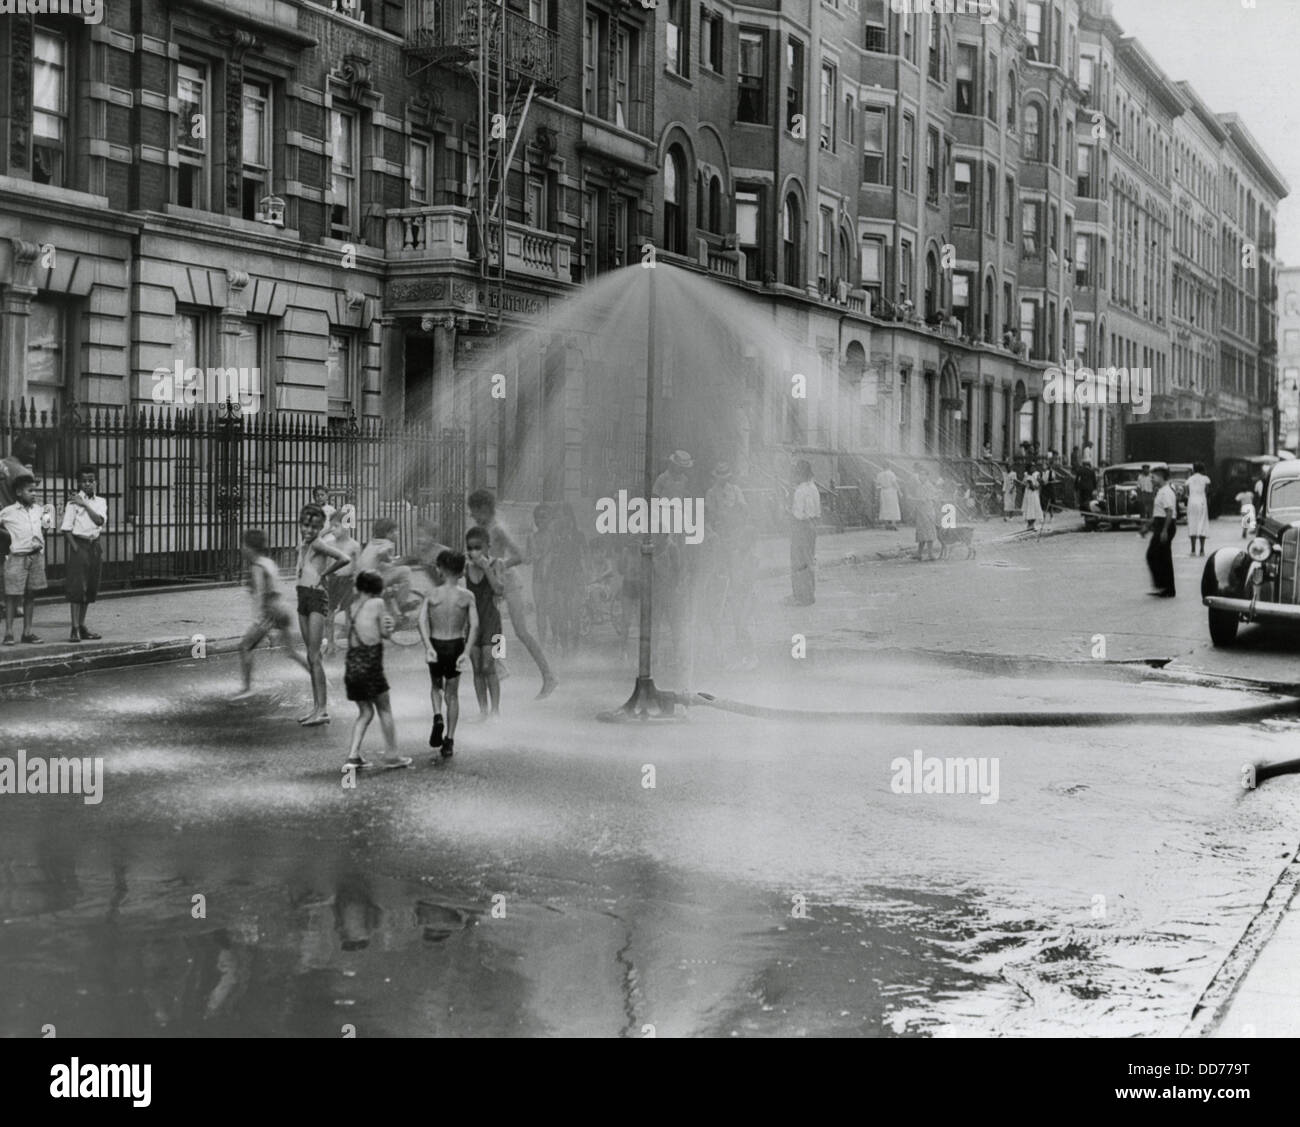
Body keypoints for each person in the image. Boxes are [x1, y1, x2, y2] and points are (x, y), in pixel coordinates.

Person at [467, 489, 556, 698]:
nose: (472, 516)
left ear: (484, 509)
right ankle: (499, 664)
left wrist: (498, 565)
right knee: (490, 626)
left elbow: (521, 555)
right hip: (491, 582)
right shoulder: (482, 528)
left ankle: (548, 675)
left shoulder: (498, 529)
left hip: (507, 581)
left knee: (521, 631)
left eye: (474, 511)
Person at [342, 569, 412, 771]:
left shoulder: (353, 607)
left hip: (352, 665)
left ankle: (353, 756)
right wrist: (391, 626)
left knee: (365, 712)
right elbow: (384, 633)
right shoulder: (378, 604)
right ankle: (392, 755)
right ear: (377, 589)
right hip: (370, 665)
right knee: (384, 709)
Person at [295, 503, 353, 726]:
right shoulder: (306, 543)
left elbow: (344, 559)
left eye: (313, 527)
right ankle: (316, 707)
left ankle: (323, 710)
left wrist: (323, 574)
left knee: (314, 655)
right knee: (311, 656)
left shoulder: (318, 543)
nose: (308, 530)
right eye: (305, 525)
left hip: (316, 597)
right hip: (303, 596)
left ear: (319, 528)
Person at [232, 529, 308, 699]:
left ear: (250, 548)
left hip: (270, 612)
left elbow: (259, 593)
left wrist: (257, 619)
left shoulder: (257, 566)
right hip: (282, 609)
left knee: (244, 646)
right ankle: (317, 673)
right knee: (291, 652)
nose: (242, 548)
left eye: (244, 545)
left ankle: (247, 688)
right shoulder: (268, 562)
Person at [417, 549, 478, 760]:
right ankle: (449, 740)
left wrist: (428, 647)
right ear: (461, 572)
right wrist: (467, 652)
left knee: (436, 687)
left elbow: (420, 621)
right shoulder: (467, 596)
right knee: (452, 695)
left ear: (440, 570)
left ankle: (437, 717)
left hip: (436, 642)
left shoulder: (432, 594)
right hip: (456, 645)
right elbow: (475, 626)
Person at [0, 473, 53, 644]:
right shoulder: (8, 512)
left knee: (31, 595)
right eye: (30, 490)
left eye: (35, 490)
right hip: (16, 557)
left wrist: (44, 525)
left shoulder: (40, 510)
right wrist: (8, 537)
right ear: (18, 492)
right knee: (12, 595)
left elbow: (46, 528)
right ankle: (8, 633)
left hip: (35, 557)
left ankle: (27, 632)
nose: (34, 494)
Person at [60, 464, 107, 642]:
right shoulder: (72, 503)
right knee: (77, 588)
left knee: (90, 587)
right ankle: (74, 628)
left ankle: (82, 624)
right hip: (80, 546)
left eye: (91, 480)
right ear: (78, 483)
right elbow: (66, 529)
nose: (87, 484)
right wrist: (76, 548)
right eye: (84, 481)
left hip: (94, 545)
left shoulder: (100, 502)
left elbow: (99, 521)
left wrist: (85, 504)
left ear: (96, 482)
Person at [465, 525, 505, 719]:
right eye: (470, 548)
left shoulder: (496, 564)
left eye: (478, 547)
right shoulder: (465, 569)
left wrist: (486, 568)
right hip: (473, 624)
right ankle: (482, 711)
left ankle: (495, 711)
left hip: (493, 623)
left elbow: (499, 589)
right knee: (477, 668)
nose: (474, 552)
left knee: (490, 666)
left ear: (487, 547)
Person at [321, 508, 360, 657]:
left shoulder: (354, 545)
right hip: (333, 581)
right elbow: (326, 565)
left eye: (336, 526)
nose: (332, 530)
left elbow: (358, 567)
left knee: (349, 614)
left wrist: (357, 584)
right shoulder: (330, 544)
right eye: (331, 527)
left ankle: (352, 645)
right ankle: (330, 644)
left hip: (348, 581)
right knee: (329, 614)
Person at [785, 460, 820, 604]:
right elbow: (817, 510)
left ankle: (799, 596)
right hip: (812, 526)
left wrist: (787, 511)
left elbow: (798, 514)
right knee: (809, 559)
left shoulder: (800, 491)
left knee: (798, 561)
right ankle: (809, 593)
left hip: (801, 526)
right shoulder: (813, 488)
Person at [1146, 467, 1178, 597]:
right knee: (1159, 556)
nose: (1152, 479)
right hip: (1161, 524)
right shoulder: (1161, 491)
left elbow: (1169, 512)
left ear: (1160, 476)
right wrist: (1147, 526)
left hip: (1165, 525)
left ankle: (1166, 588)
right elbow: (1157, 514)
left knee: (1155, 556)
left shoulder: (1166, 492)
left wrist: (1164, 530)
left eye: (1153, 477)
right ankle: (1165, 587)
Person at [912, 466, 939, 561]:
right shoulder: (919, 485)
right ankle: (919, 553)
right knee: (922, 532)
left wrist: (914, 499)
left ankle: (930, 554)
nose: (921, 476)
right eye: (920, 474)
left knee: (929, 532)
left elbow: (927, 498)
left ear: (927, 476)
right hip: (921, 511)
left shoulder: (929, 486)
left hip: (928, 511)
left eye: (923, 474)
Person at [1186, 462, 1212, 557]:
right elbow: (1207, 491)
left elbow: (1187, 492)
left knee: (1192, 523)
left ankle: (1193, 550)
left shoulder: (1190, 479)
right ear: (1202, 470)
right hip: (1201, 501)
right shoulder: (1205, 478)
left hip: (1192, 502)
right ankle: (1202, 550)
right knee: (1202, 524)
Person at [1022, 465, 1043, 531]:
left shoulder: (1032, 477)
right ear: (1029, 470)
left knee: (1034, 508)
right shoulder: (1028, 477)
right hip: (1030, 495)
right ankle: (1030, 524)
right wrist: (1036, 487)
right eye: (1032, 468)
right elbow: (1032, 487)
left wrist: (1038, 485)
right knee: (1030, 508)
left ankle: (1032, 524)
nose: (1033, 469)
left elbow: (1038, 484)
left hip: (1033, 494)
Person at [1136, 465, 1155, 536]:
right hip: (1143, 494)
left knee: (1151, 511)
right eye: (1144, 469)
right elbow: (1138, 487)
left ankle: (1152, 526)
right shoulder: (1140, 477)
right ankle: (1143, 526)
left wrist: (1154, 495)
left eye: (1147, 469)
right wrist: (1139, 496)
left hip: (1150, 494)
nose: (1146, 470)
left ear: (1149, 469)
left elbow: (1155, 486)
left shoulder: (1152, 476)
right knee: (1143, 511)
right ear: (1142, 470)